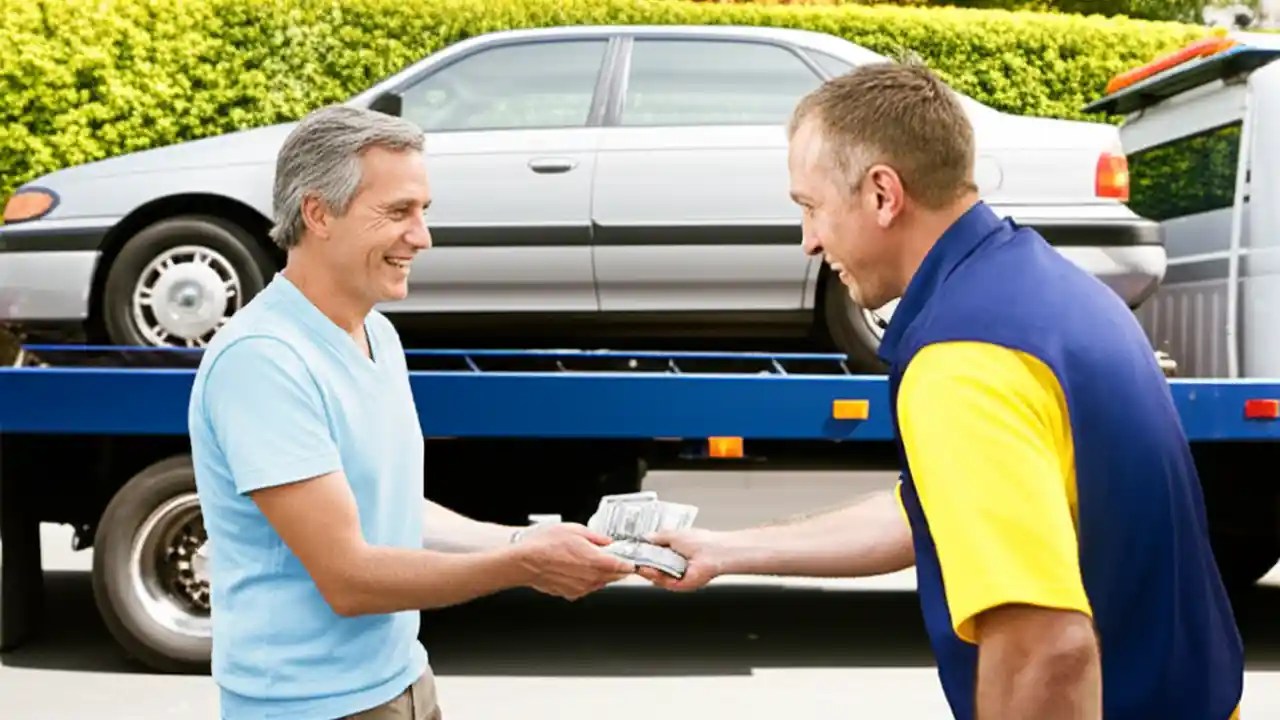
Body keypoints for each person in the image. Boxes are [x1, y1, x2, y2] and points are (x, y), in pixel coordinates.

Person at [638, 61, 1245, 720]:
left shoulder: (963, 361)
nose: (809, 240)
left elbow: (1047, 650)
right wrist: (730, 550)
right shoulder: (1052, 295)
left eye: (811, 207)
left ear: (881, 195)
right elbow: (941, 506)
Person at [187, 105, 635, 720]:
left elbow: (391, 509)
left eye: (423, 212)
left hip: (402, 682)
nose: (422, 237)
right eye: (397, 212)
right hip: (311, 708)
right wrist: (522, 566)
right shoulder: (264, 360)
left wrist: (520, 538)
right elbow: (348, 578)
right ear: (318, 213)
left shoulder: (376, 334)